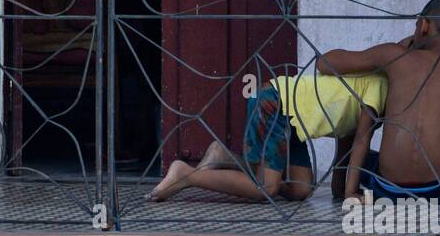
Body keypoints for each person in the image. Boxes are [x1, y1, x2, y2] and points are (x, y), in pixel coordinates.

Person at [315, 0, 440, 202]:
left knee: (353, 139)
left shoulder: (394, 56)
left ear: (424, 26)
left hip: (386, 188)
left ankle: (344, 191)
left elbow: (324, 63)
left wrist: (399, 49)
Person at [145, 71, 387, 203]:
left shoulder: (371, 97)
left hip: (293, 120)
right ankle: (185, 175)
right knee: (266, 188)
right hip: (277, 102)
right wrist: (351, 194)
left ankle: (223, 156)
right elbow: (361, 142)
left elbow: (345, 146)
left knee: (301, 188)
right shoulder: (379, 88)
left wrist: (341, 190)